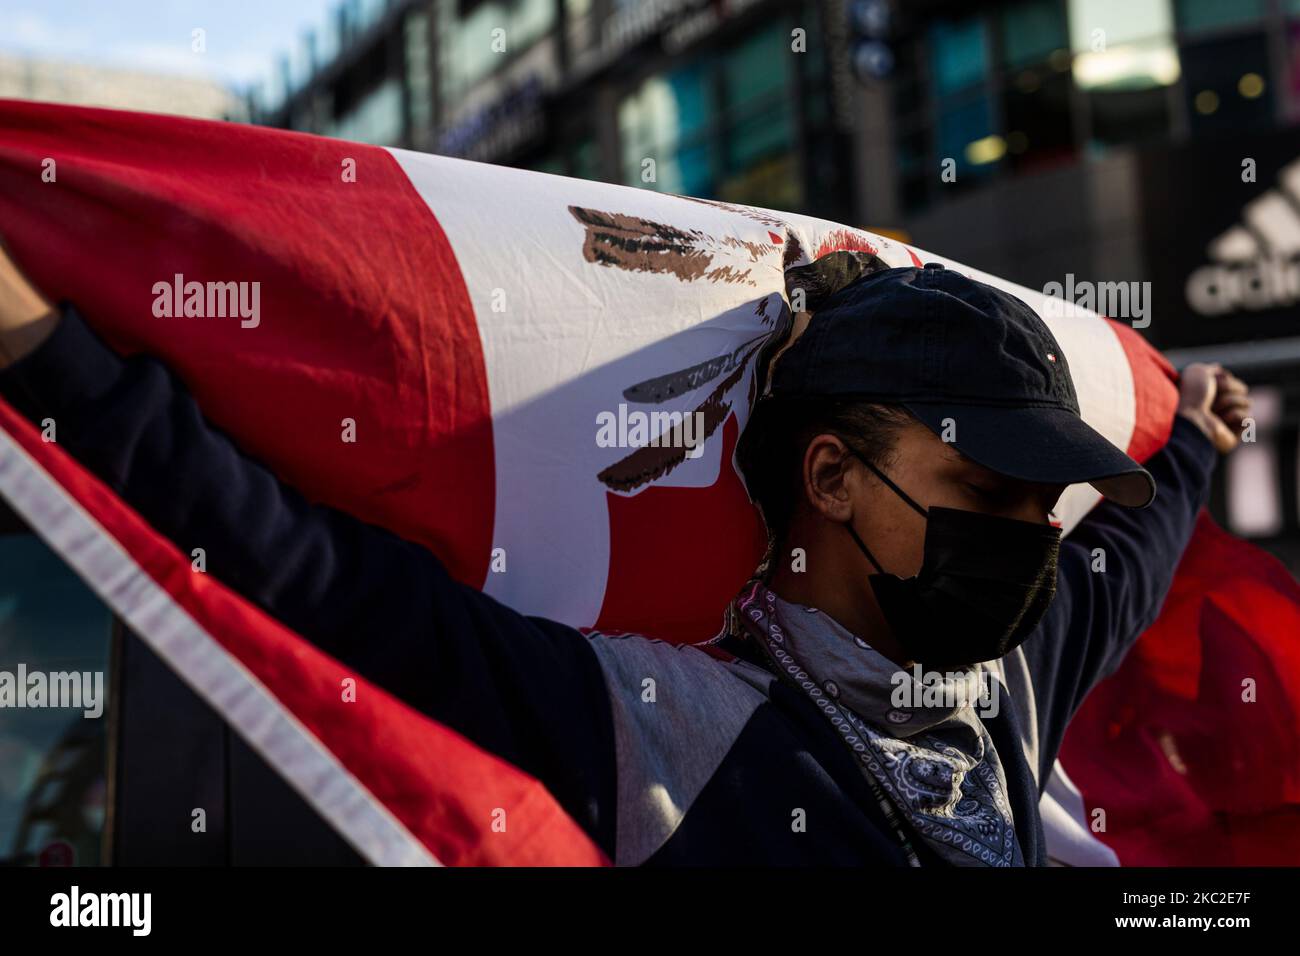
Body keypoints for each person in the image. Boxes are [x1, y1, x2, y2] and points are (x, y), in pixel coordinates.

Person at [0, 245, 1250, 866]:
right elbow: (310, 578)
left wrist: (1190, 431)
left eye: (1046, 502)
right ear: (827, 479)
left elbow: (1122, 561)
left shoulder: (1011, 671)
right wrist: (39, 354)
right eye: (984, 488)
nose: (1035, 538)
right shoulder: (658, 724)